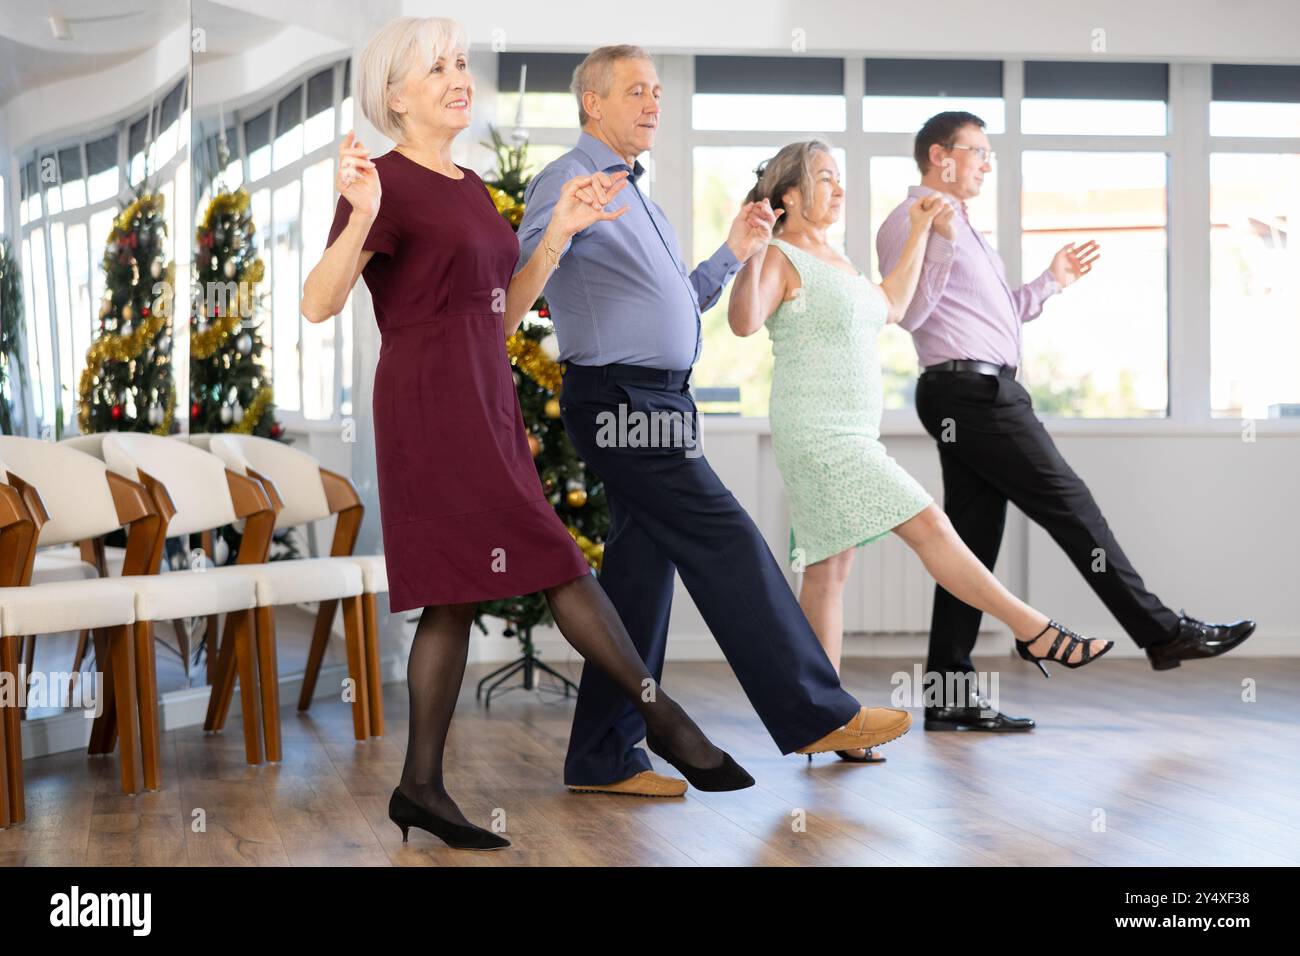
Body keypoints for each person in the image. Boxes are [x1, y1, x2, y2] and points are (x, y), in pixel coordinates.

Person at [301, 17, 752, 850]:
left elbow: (502, 314)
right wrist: (360, 214)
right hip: (430, 405)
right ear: (394, 98)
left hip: (484, 393)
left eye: (462, 62)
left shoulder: (469, 184)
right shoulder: (383, 184)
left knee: (454, 597)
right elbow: (319, 302)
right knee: (557, 561)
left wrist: (558, 235)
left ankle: (421, 786)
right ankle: (667, 720)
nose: (458, 77)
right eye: (436, 68)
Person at [517, 45, 912, 798]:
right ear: (591, 104)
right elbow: (517, 274)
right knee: (724, 535)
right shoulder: (568, 180)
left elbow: (678, 303)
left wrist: (733, 254)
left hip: (662, 396)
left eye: (657, 91)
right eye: (636, 91)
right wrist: (560, 230)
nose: (653, 103)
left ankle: (604, 756)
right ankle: (813, 709)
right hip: (618, 398)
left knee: (639, 579)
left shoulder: (642, 198)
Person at [875, 110, 1256, 731]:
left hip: (979, 386)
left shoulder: (966, 227)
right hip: (968, 394)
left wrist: (1050, 282)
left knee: (968, 547)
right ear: (941, 156)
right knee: (1071, 505)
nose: (987, 163)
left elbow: (994, 319)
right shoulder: (908, 221)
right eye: (978, 152)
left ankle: (948, 693)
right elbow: (911, 311)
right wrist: (935, 234)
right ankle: (1161, 631)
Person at [728, 140, 1113, 753]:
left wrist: (917, 234)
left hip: (853, 432)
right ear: (791, 196)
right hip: (820, 434)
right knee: (931, 523)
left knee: (829, 569)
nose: (839, 188)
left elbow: (895, 306)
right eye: (826, 178)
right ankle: (1033, 629)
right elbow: (744, 322)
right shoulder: (778, 254)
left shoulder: (838, 258)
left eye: (839, 177)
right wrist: (747, 250)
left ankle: (822, 719)